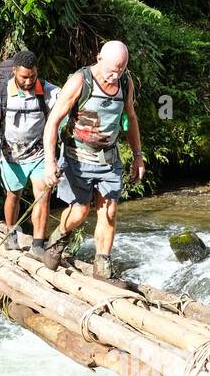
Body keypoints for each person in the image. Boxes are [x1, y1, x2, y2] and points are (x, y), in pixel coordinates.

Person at [42, 40, 146, 279]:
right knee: (79, 212)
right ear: (99, 59)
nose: (115, 75)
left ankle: (102, 267)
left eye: (121, 69)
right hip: (77, 156)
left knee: (109, 212)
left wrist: (138, 156)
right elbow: (54, 121)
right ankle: (57, 241)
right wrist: (50, 162)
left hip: (109, 159)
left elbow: (130, 118)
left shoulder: (125, 83)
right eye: (112, 69)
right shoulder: (80, 81)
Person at [0, 49, 60, 259]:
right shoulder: (2, 92)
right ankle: (11, 233)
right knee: (13, 196)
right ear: (15, 71)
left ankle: (37, 244)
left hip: (39, 155)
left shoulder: (49, 92)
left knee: (42, 198)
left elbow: (67, 107)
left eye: (32, 76)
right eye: (24, 76)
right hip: (10, 156)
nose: (28, 81)